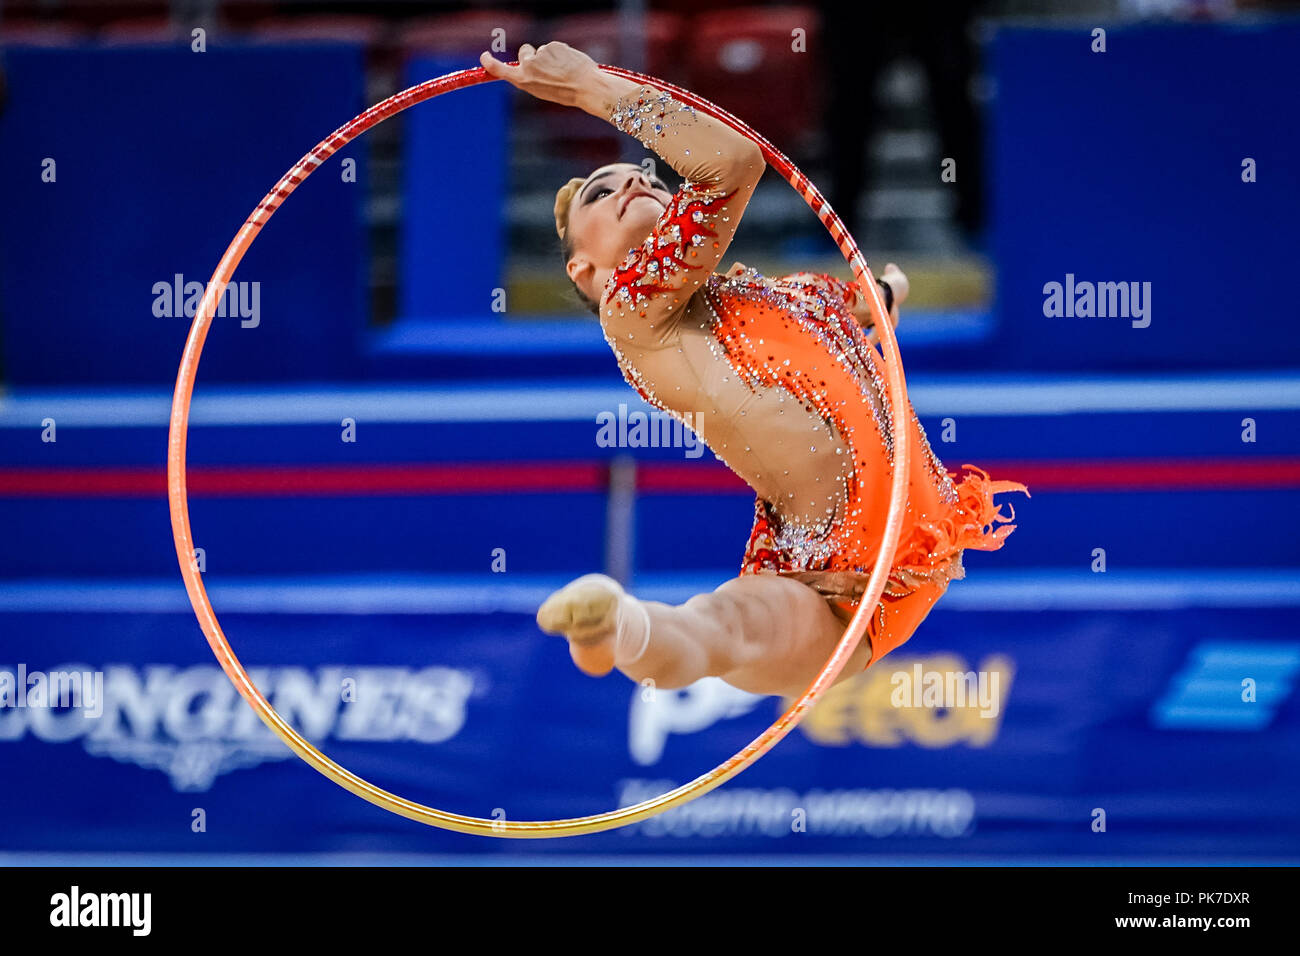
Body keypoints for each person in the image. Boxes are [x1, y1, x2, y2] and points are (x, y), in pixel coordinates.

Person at [480, 42, 1028, 700]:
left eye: (650, 179)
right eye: (603, 190)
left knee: (728, 633)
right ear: (584, 272)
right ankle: (614, 629)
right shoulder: (635, 314)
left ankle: (619, 630)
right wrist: (590, 87)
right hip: (827, 589)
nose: (634, 181)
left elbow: (845, 315)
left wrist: (881, 298)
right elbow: (732, 162)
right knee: (726, 630)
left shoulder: (781, 292)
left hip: (925, 544)